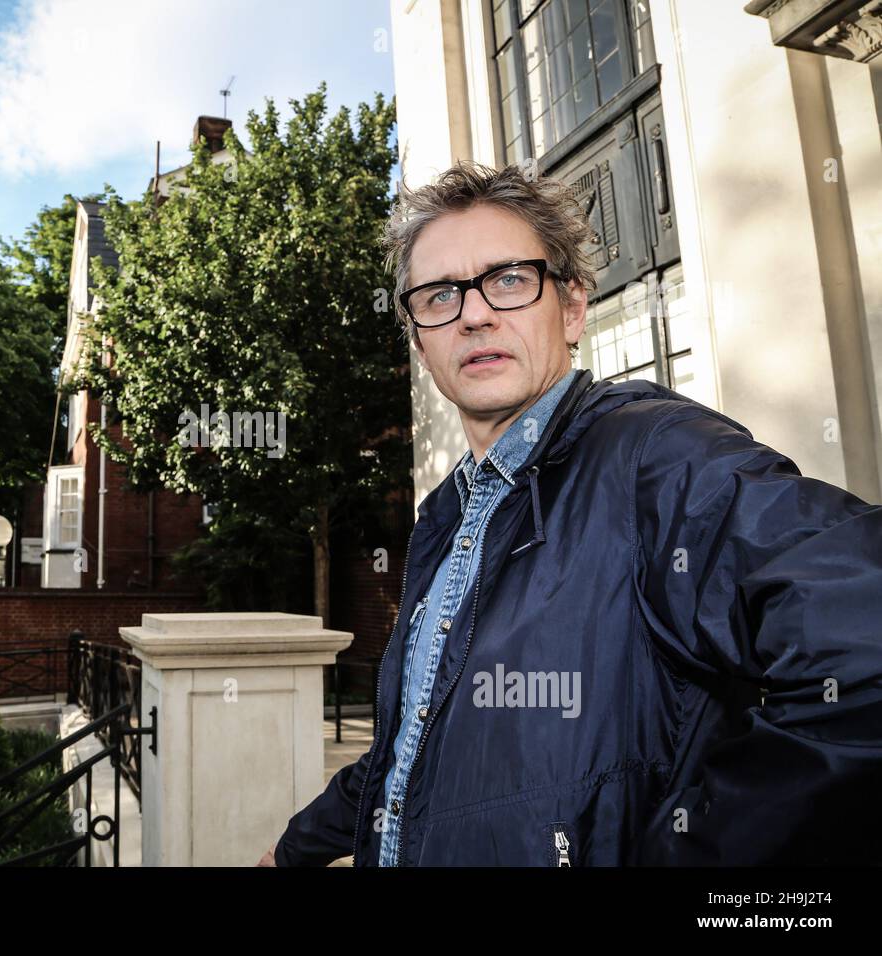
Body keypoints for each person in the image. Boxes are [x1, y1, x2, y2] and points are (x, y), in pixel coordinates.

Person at [259, 160, 882, 866]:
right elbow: (413, 750)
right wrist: (294, 847)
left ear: (574, 307)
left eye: (510, 279)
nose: (474, 312)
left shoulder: (660, 460)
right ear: (418, 339)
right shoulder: (447, 515)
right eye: (439, 295)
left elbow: (864, 657)